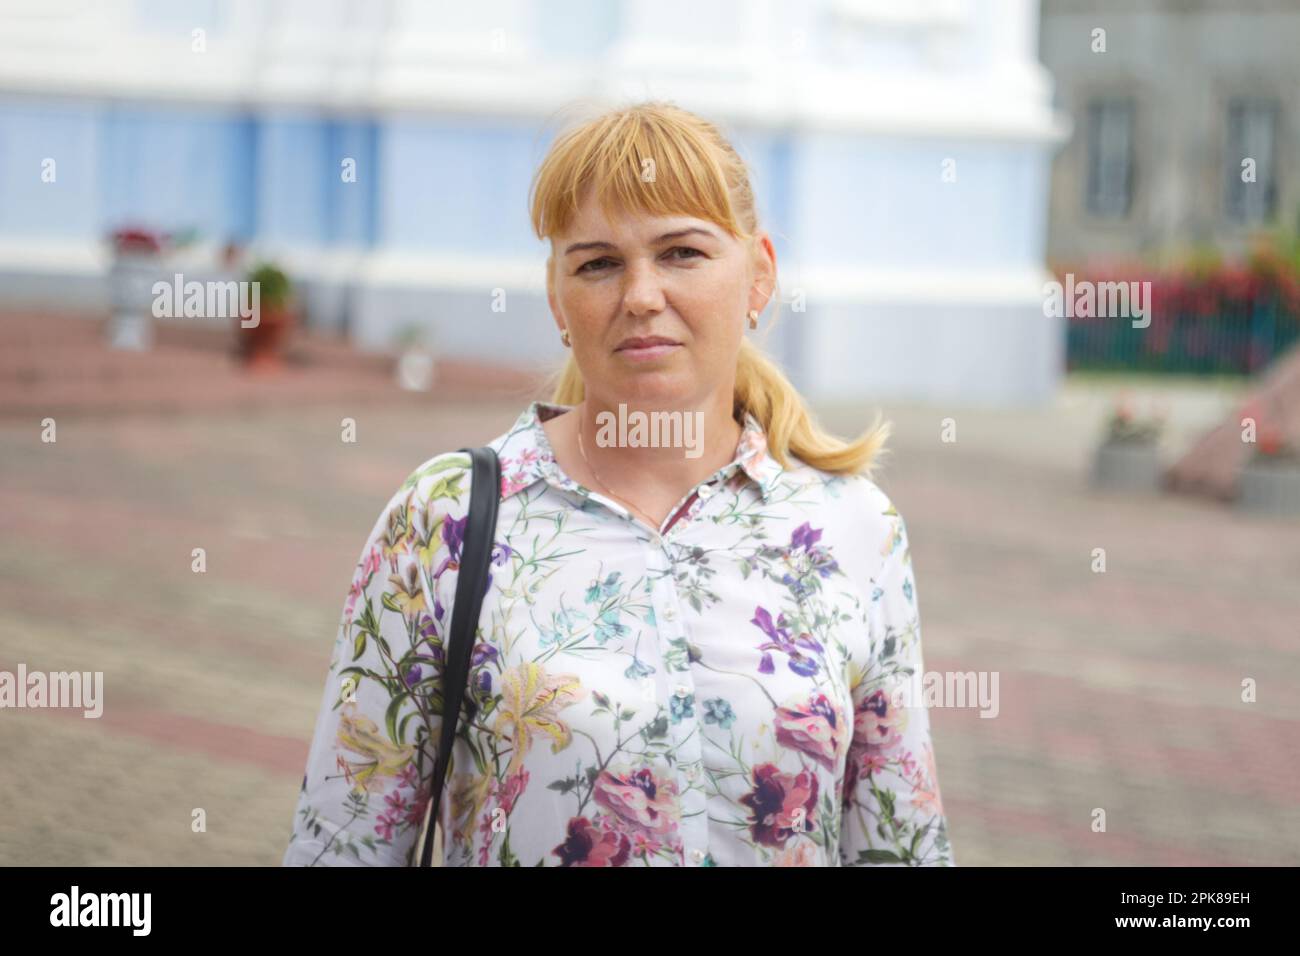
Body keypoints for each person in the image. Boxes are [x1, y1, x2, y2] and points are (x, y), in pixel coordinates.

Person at [282, 100, 954, 867]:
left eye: (681, 253)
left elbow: (902, 845)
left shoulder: (854, 529)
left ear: (759, 274)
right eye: (599, 262)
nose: (639, 295)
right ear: (557, 297)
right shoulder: (446, 523)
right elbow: (344, 843)